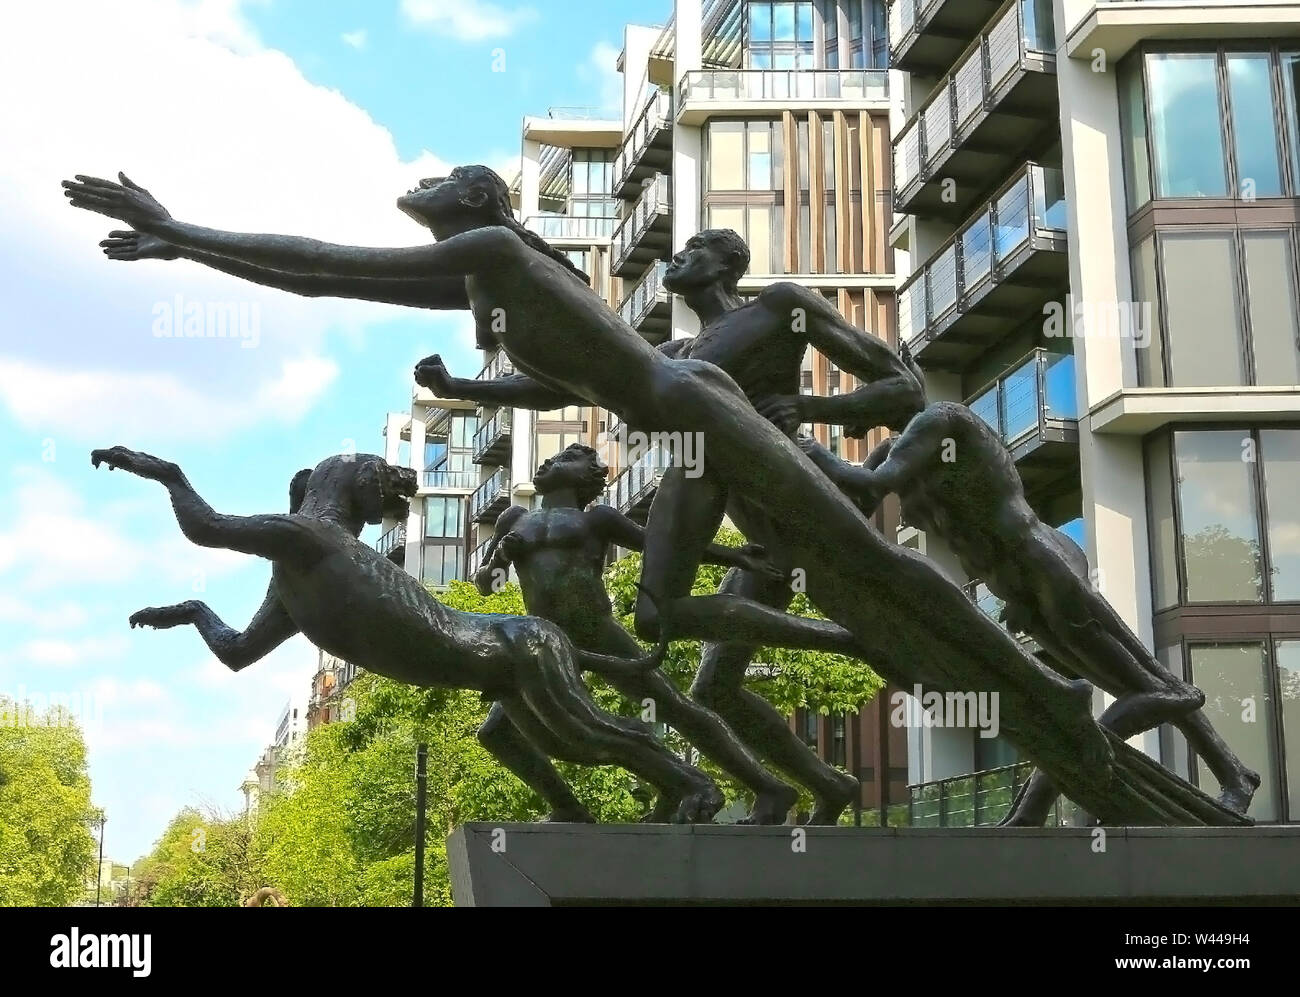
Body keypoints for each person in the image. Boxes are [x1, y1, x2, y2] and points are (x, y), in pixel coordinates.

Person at [66, 166, 1176, 825]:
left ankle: (1062, 700)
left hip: (706, 421)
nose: (428, 186)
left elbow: (319, 265)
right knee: (713, 606)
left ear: (479, 203)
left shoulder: (496, 248)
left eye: (446, 178)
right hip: (688, 429)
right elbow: (557, 372)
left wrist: (182, 236)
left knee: (874, 572)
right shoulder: (501, 278)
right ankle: (1038, 714)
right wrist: (471, 383)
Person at [415, 227, 922, 821]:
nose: (674, 256)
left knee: (672, 616)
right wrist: (464, 387)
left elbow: (902, 389)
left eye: (695, 248)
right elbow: (561, 385)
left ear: (728, 264)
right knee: (714, 689)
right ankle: (825, 784)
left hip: (800, 492)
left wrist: (813, 407)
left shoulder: (779, 307)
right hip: (755, 528)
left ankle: (861, 644)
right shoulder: (675, 355)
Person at [92, 444, 724, 822]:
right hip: (496, 648)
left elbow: (207, 529)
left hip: (509, 640)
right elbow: (236, 652)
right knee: (518, 738)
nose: (384, 507)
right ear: (354, 484)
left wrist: (169, 476)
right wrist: (195, 611)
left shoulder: (307, 546)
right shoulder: (298, 562)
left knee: (585, 737)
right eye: (379, 490)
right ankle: (575, 809)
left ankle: (690, 783)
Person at [798, 399, 1260, 825]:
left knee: (1132, 686)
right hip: (1015, 590)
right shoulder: (893, 450)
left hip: (1041, 565)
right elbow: (857, 493)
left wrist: (806, 440)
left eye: (863, 399)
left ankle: (1208, 758)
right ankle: (1232, 768)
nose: (850, 413)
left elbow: (871, 484)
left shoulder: (942, 422)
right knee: (1119, 688)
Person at [471, 442, 801, 824]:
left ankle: (768, 787)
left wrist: (734, 556)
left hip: (595, 632)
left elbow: (664, 547)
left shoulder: (597, 519)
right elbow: (484, 584)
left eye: (566, 459)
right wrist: (500, 558)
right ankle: (569, 808)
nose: (548, 461)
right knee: (496, 733)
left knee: (674, 706)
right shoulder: (513, 517)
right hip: (545, 643)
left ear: (587, 477)